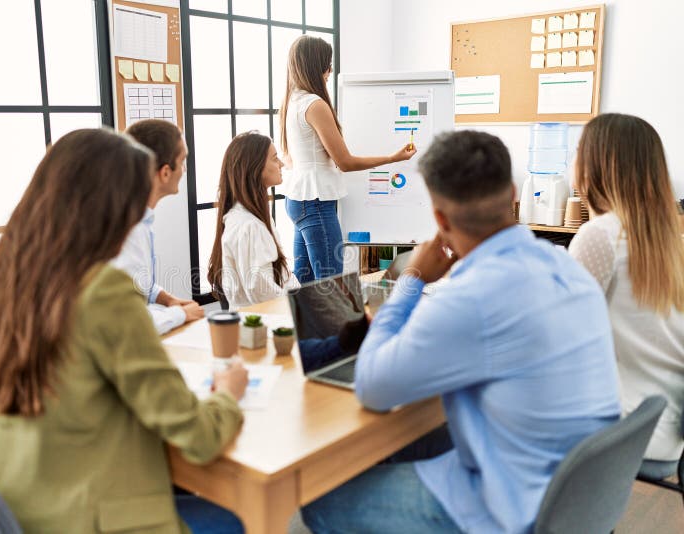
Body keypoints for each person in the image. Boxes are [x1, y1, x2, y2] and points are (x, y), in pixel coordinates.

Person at [300, 130, 621, 533]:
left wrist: (412, 277)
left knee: (319, 500)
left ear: (439, 220)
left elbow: (372, 385)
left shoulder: (471, 298)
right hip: (578, 495)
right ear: (513, 192)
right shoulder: (568, 269)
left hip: (512, 509)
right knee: (417, 441)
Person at [0, 128, 248, 534]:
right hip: (84, 517)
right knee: (236, 515)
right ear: (109, 207)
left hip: (17, 508)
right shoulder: (102, 291)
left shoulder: (10, 281)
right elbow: (198, 436)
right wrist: (228, 394)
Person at [568, 113, 684, 466]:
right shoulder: (671, 241)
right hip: (665, 427)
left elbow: (559, 338)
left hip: (620, 430)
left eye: (577, 152)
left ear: (594, 166)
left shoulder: (602, 235)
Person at [280, 35, 415, 283]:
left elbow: (288, 158)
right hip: (316, 202)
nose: (330, 71)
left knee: (306, 279)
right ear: (317, 66)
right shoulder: (314, 104)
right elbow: (345, 162)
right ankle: (335, 323)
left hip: (297, 199)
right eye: (327, 64)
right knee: (331, 281)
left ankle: (309, 323)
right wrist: (392, 158)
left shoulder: (292, 101)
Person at [112, 119, 204, 334]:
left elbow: (135, 282)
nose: (184, 170)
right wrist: (180, 314)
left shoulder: (140, 219)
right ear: (164, 172)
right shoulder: (127, 231)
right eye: (183, 161)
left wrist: (164, 297)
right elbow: (126, 320)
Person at [207, 131, 299, 309]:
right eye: (274, 158)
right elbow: (263, 294)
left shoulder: (252, 218)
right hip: (264, 323)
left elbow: (283, 276)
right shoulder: (249, 225)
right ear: (254, 167)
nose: (281, 164)